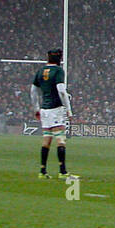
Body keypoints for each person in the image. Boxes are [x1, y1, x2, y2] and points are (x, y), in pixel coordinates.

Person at [30, 47, 75, 179]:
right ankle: (63, 171)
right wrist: (69, 109)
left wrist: (36, 109)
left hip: (44, 109)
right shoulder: (58, 71)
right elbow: (61, 90)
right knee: (61, 139)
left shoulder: (40, 71)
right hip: (56, 108)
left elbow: (33, 91)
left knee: (46, 139)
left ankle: (42, 171)